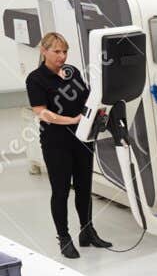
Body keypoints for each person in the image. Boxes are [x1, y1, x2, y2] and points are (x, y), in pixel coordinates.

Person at [26, 32, 112, 259]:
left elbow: (86, 98)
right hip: (56, 142)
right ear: (44, 51)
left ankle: (87, 232)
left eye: (65, 51)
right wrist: (72, 120)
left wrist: (96, 111)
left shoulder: (71, 72)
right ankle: (64, 237)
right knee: (61, 190)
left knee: (84, 188)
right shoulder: (36, 79)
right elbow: (42, 113)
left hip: (82, 138)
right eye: (56, 52)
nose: (62, 56)